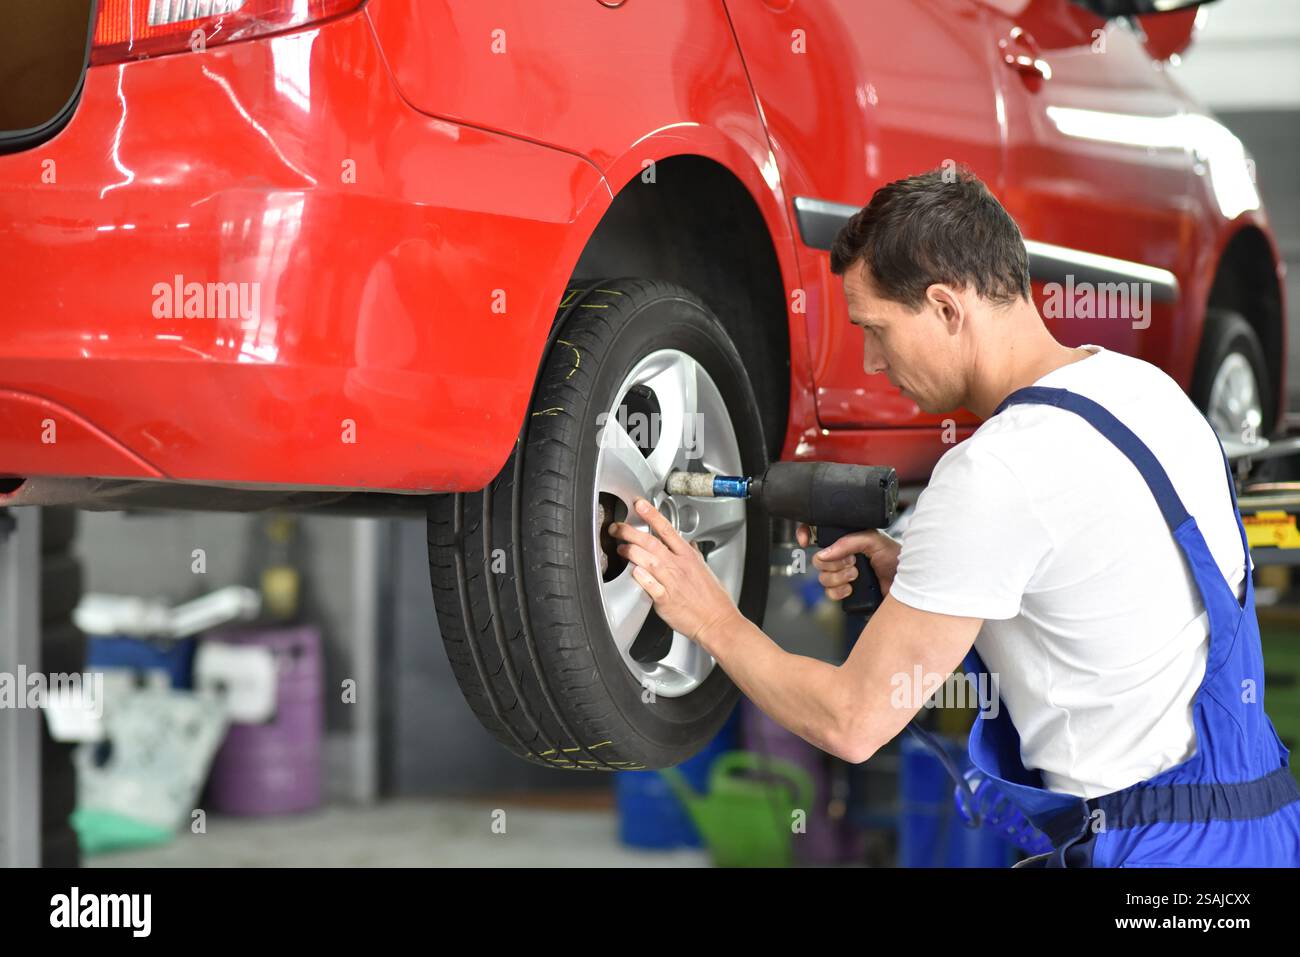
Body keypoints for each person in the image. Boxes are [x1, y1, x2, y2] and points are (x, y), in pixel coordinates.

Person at [607, 166, 1300, 866]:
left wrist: (712, 618)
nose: (874, 362)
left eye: (876, 329)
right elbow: (1111, 584)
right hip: (1263, 828)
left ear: (946, 306)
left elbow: (852, 720)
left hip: (1154, 854)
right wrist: (928, 577)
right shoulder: (1151, 394)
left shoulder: (993, 472)